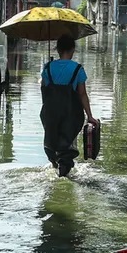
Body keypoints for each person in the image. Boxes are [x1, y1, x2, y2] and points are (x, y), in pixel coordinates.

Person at [40, 34, 97, 177]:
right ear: (72, 50)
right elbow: (82, 94)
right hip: (70, 113)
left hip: (50, 113)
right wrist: (90, 116)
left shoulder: (47, 68)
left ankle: (54, 163)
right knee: (67, 145)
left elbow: (44, 91)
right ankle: (63, 170)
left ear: (57, 50)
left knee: (51, 141)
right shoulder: (78, 69)